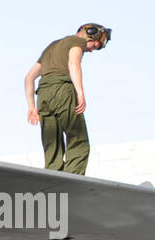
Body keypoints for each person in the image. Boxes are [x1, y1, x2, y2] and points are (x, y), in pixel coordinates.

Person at [24, 23, 111, 175]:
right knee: (78, 141)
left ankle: (53, 179)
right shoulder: (77, 42)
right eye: (96, 45)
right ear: (91, 33)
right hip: (62, 90)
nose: (93, 49)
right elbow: (73, 63)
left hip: (43, 94)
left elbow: (29, 78)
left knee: (52, 145)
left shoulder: (52, 47)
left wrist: (31, 107)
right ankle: (72, 182)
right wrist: (80, 93)